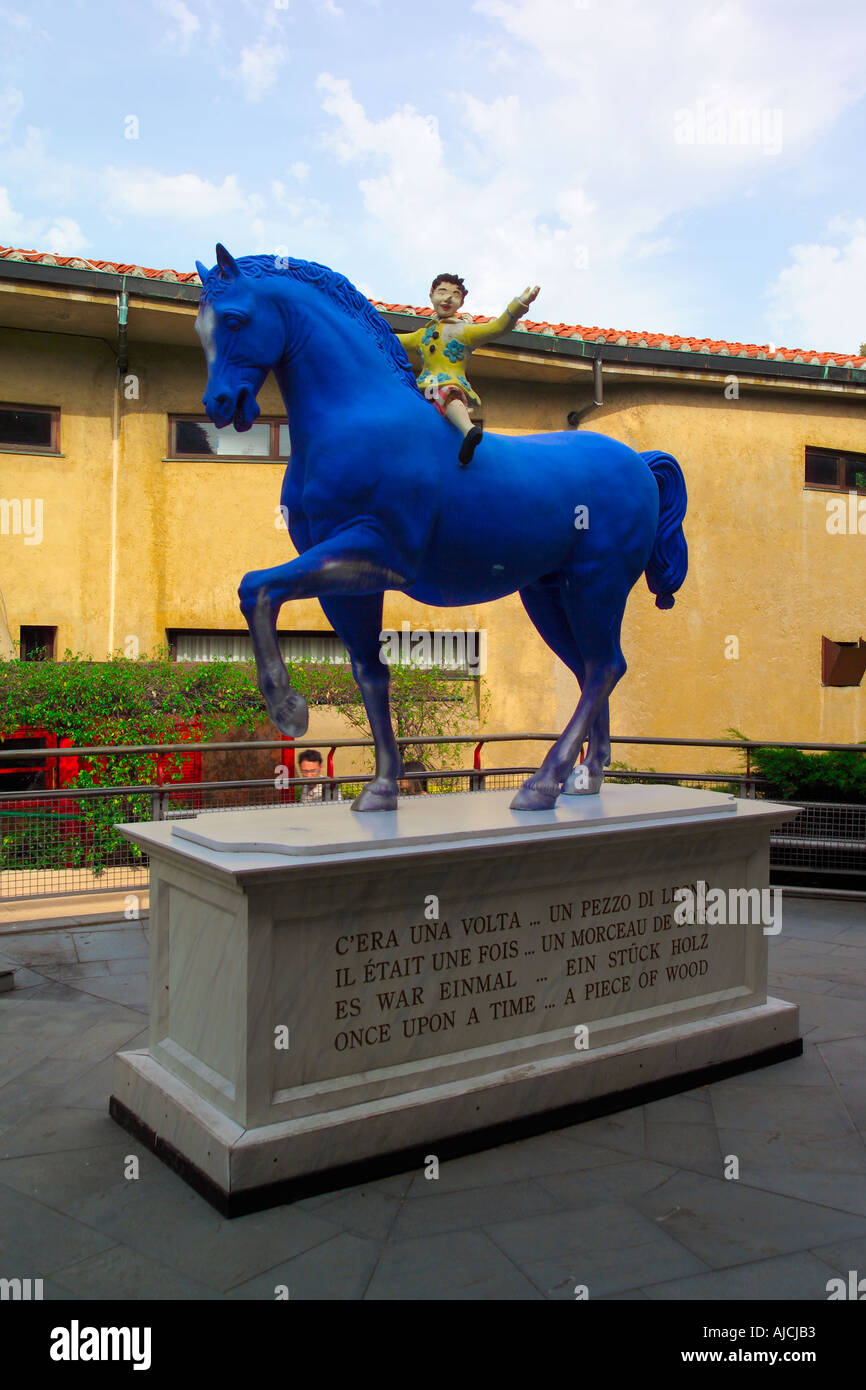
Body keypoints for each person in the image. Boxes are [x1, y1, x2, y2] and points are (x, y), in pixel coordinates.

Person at [396, 274, 540, 466]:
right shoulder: (422, 335)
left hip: (447, 385)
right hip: (423, 390)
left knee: (445, 394)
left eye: (455, 295)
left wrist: (518, 306)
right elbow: (392, 340)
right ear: (431, 295)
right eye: (442, 292)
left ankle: (469, 430)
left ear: (461, 302)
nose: (448, 298)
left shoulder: (464, 331)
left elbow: (497, 327)